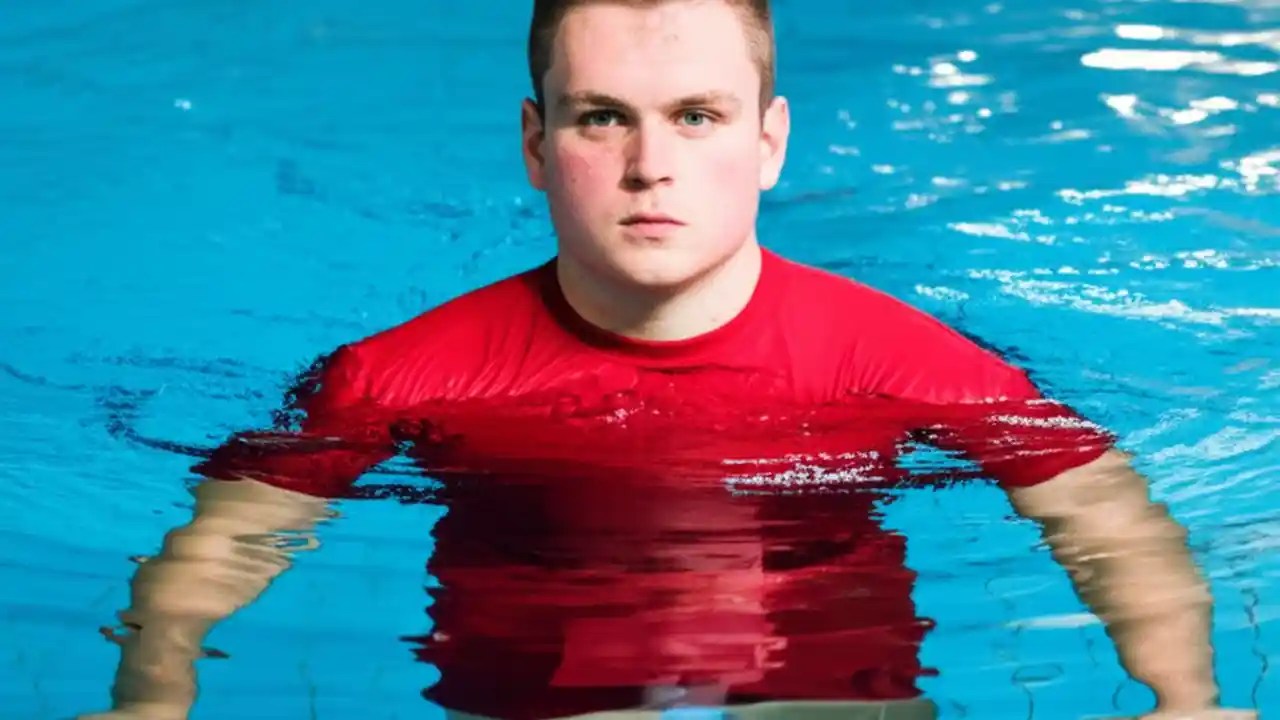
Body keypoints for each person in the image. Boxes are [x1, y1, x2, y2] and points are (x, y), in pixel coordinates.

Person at [81, 1, 1253, 719]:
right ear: (536, 145)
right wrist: (151, 699)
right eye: (601, 117)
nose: (650, 166)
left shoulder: (902, 359)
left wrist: (1184, 699)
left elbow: (1099, 511)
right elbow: (223, 539)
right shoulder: (401, 378)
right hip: (530, 629)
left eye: (695, 114)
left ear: (767, 139)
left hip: (820, 616)